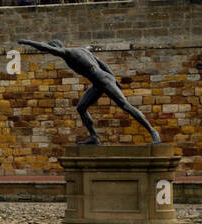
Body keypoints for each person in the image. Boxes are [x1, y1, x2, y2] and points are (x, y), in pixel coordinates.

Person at [18, 39, 160, 145]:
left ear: (58, 47)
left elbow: (44, 47)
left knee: (125, 106)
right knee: (81, 108)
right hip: (100, 81)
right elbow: (102, 63)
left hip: (101, 80)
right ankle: (94, 138)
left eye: (53, 49)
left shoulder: (67, 53)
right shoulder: (83, 50)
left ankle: (153, 132)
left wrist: (26, 41)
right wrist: (114, 79)